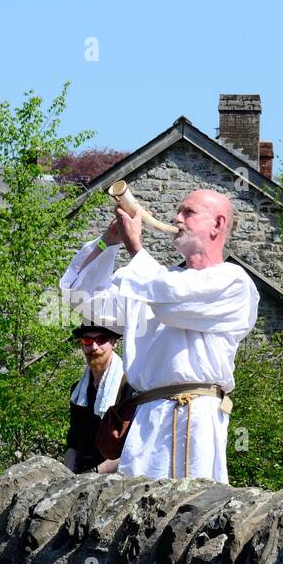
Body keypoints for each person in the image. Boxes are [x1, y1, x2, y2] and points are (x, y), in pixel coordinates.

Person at [60, 188, 259, 482]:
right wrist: (108, 242)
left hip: (193, 417)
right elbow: (79, 295)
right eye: (178, 211)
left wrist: (136, 248)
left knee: (189, 511)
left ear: (218, 224)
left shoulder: (233, 282)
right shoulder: (149, 280)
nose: (176, 218)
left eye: (188, 212)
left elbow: (173, 300)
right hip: (143, 420)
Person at [63, 324, 125, 475]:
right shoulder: (78, 391)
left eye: (101, 339)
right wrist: (67, 475)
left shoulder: (129, 386)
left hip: (119, 473)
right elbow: (73, 441)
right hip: (83, 472)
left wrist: (94, 474)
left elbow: (134, 446)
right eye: (87, 341)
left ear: (114, 342)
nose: (94, 347)